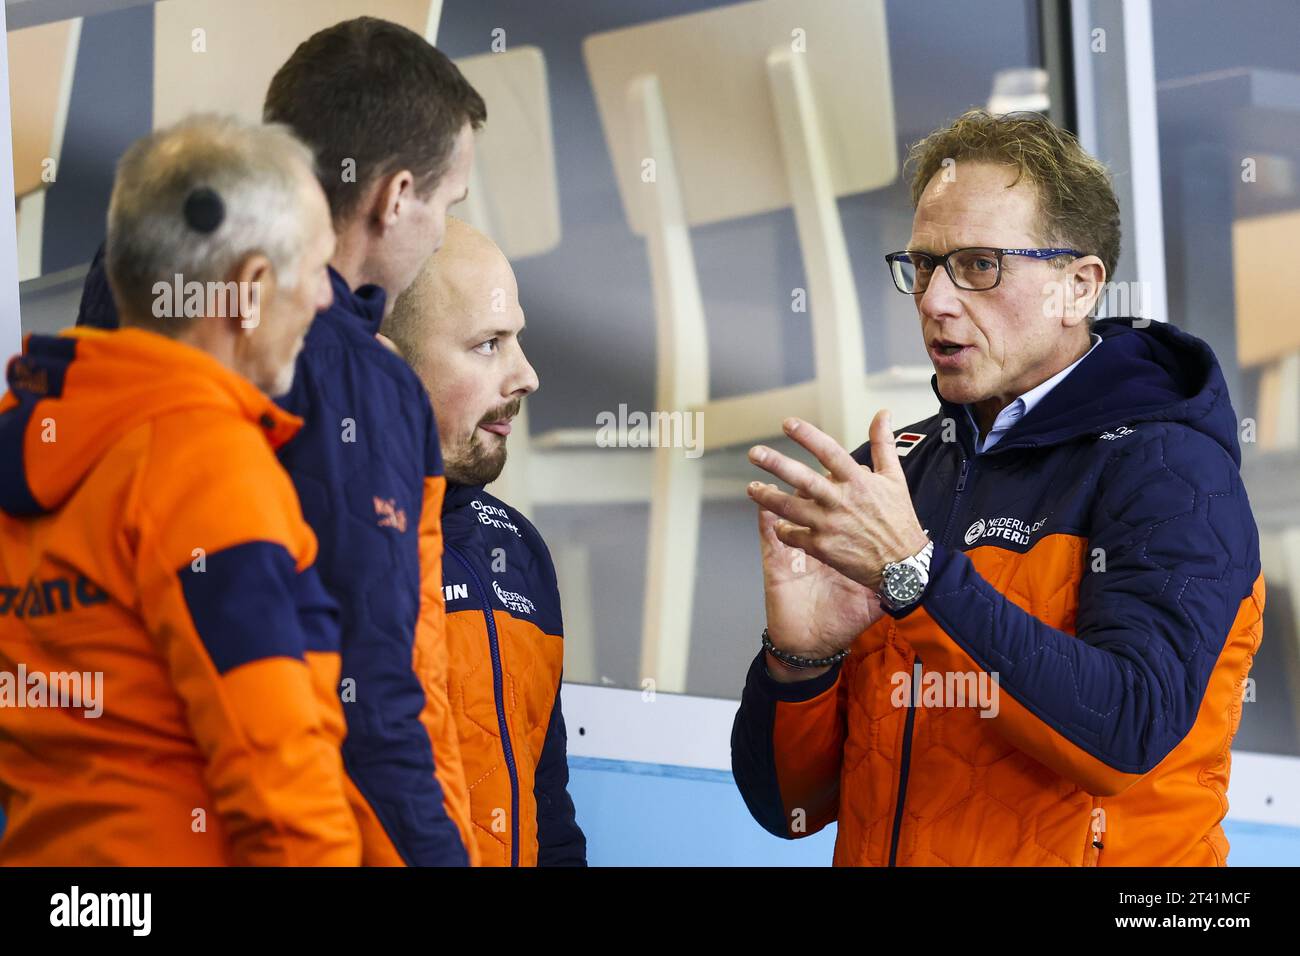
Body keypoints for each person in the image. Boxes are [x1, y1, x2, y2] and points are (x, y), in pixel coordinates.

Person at [732, 109, 1265, 866]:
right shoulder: (893, 475)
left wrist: (917, 578)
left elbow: (1127, 734)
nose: (934, 301)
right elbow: (790, 811)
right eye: (921, 265)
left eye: (979, 265)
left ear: (1077, 288)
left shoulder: (1170, 468)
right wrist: (798, 661)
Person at [74, 17, 487, 866]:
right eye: (448, 205)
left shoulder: (134, 275)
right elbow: (373, 695)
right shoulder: (362, 385)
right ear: (396, 195)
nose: (444, 232)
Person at [0, 115, 359, 865]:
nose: (327, 300)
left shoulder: (28, 432)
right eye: (318, 271)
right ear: (251, 290)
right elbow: (278, 775)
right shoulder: (205, 465)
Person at [382, 217, 587, 866]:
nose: (526, 376)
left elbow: (549, 813)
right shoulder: (322, 544)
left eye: (517, 339)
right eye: (488, 345)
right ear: (384, 365)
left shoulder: (518, 548)